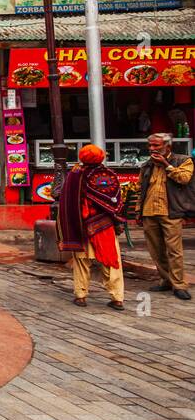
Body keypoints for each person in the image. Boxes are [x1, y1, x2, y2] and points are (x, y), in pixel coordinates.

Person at [58, 144, 126, 311]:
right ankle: (117, 298)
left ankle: (81, 295)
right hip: (105, 225)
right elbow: (116, 200)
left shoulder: (76, 175)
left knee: (81, 261)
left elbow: (66, 201)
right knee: (112, 261)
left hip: (82, 225)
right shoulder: (109, 174)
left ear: (82, 157)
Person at [138, 132, 194, 301]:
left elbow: (184, 178)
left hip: (171, 212)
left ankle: (179, 285)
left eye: (156, 146)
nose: (152, 149)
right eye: (150, 146)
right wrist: (138, 211)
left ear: (167, 147)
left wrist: (166, 164)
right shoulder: (147, 165)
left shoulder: (183, 160)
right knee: (156, 250)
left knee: (174, 251)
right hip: (149, 212)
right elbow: (142, 188)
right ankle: (166, 280)